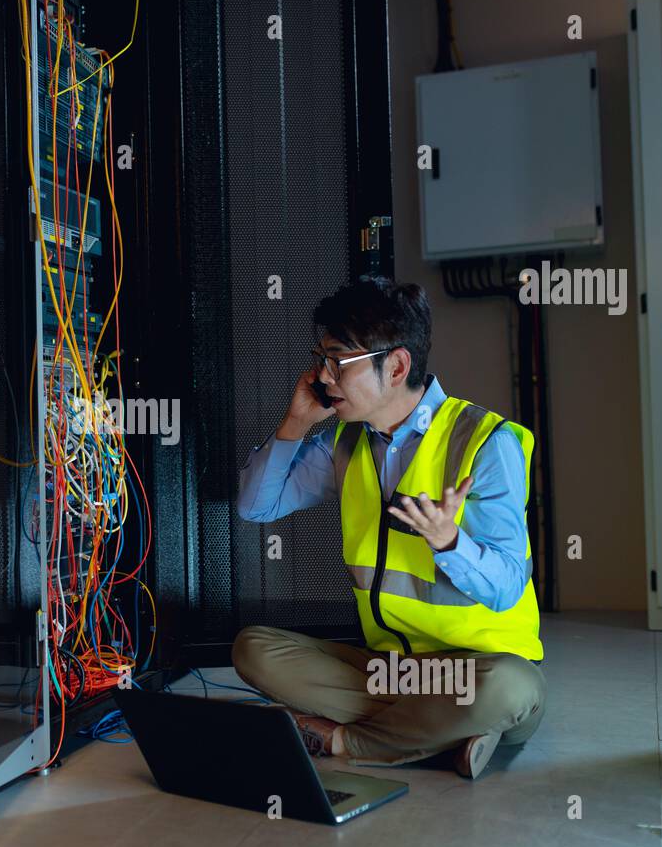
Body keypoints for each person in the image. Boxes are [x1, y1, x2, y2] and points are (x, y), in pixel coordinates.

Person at [233, 276, 546, 779]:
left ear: (396, 366)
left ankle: (341, 739)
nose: (323, 376)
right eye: (321, 358)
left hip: (476, 673)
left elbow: (508, 585)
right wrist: (295, 421)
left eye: (338, 360)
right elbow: (255, 506)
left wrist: (450, 542)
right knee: (254, 649)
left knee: (510, 689)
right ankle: (439, 737)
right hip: (389, 673)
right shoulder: (346, 443)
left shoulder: (488, 443)